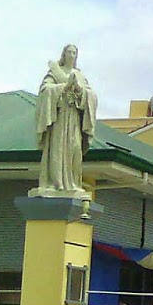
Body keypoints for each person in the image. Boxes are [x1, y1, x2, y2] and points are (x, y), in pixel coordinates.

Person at [33, 44, 98, 197]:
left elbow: (91, 95)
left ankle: (73, 183)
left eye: (74, 52)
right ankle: (56, 183)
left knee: (75, 148)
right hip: (59, 119)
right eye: (69, 52)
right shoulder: (54, 72)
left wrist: (79, 89)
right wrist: (64, 86)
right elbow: (45, 90)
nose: (72, 55)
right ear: (64, 54)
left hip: (74, 118)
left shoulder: (79, 75)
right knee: (58, 149)